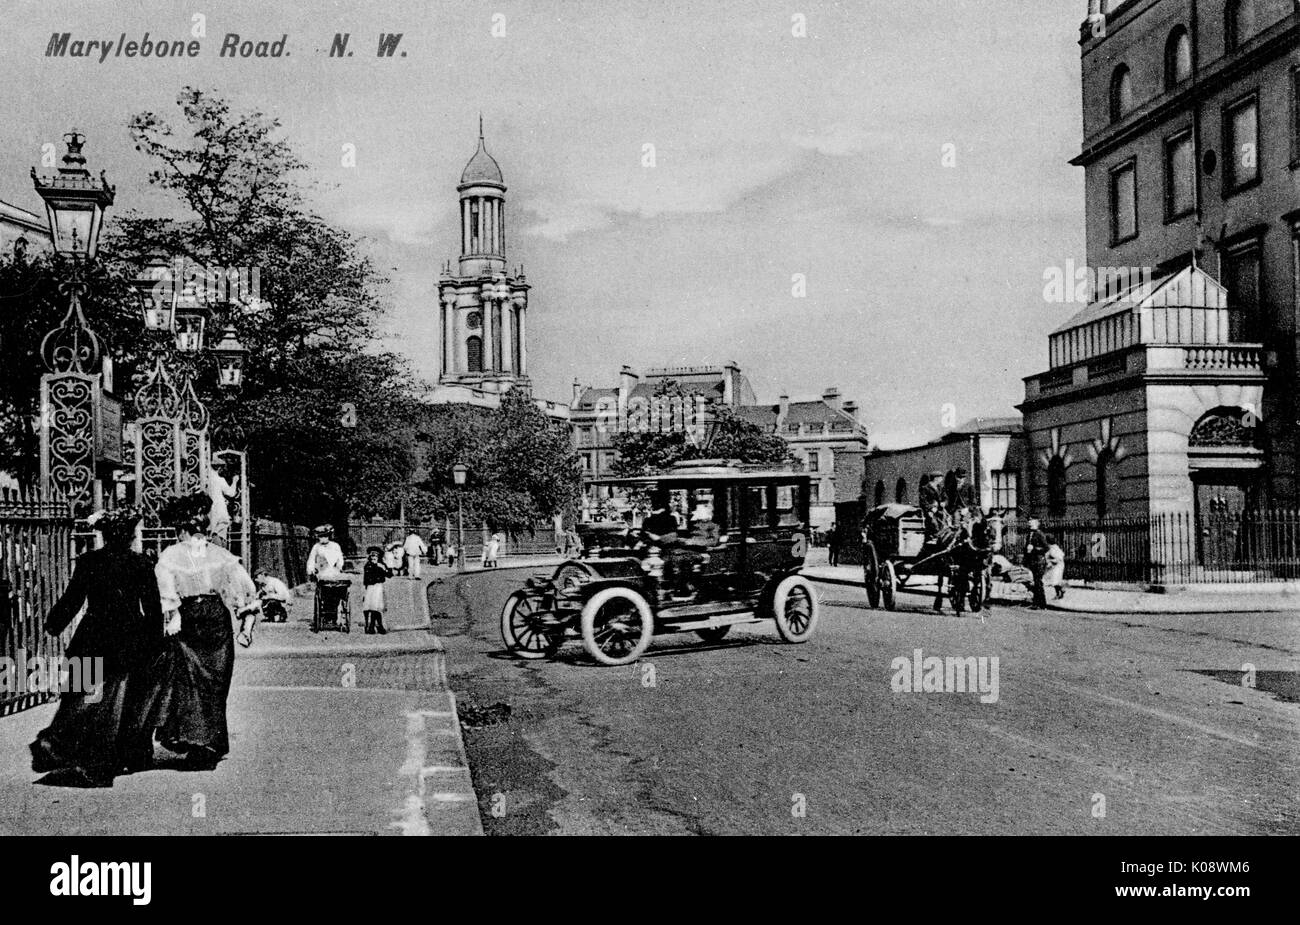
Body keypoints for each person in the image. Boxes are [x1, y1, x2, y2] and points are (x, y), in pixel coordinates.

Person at [30, 507, 162, 786]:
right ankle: (107, 758)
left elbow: (73, 598)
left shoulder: (90, 561)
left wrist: (54, 623)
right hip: (128, 637)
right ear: (129, 536)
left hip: (93, 633)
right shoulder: (141, 564)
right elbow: (153, 611)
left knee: (78, 694)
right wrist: (154, 644)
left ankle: (58, 744)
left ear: (103, 535)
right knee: (115, 701)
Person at [140, 492, 259, 770]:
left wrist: (173, 616)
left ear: (181, 529)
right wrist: (247, 624)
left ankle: (196, 740)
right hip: (216, 617)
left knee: (190, 680)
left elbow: (166, 592)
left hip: (190, 617)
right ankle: (208, 742)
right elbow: (243, 588)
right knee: (215, 681)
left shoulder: (171, 555)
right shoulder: (220, 554)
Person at [307, 525, 347, 626]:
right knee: (324, 593)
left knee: (336, 591)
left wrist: (340, 566)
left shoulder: (335, 546)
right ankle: (323, 616)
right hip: (322, 572)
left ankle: (333, 617)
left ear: (329, 536)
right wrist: (311, 569)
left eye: (325, 536)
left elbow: (340, 558)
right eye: (321, 537)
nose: (323, 539)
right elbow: (311, 559)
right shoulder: (316, 547)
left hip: (333, 572)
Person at [206, 458, 239, 547]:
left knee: (214, 531)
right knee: (219, 532)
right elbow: (231, 493)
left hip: (210, 509)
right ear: (219, 468)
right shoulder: (219, 480)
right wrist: (235, 481)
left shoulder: (207, 479)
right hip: (220, 508)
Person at [1023, 517, 1051, 610]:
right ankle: (1036, 603)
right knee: (1035, 582)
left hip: (1039, 561)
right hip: (1032, 561)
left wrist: (1034, 549)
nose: (1029, 522)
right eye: (1029, 521)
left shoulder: (1039, 534)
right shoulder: (1030, 534)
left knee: (1038, 582)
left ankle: (1042, 604)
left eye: (1032, 521)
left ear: (1037, 523)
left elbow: (1046, 548)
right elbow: (1026, 549)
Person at [361, 546, 390, 634]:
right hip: (370, 587)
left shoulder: (381, 565)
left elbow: (389, 575)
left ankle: (375, 626)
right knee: (371, 606)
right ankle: (375, 626)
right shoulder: (368, 566)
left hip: (378, 587)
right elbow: (367, 579)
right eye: (372, 557)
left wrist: (384, 568)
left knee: (376, 606)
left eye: (375, 557)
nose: (373, 558)